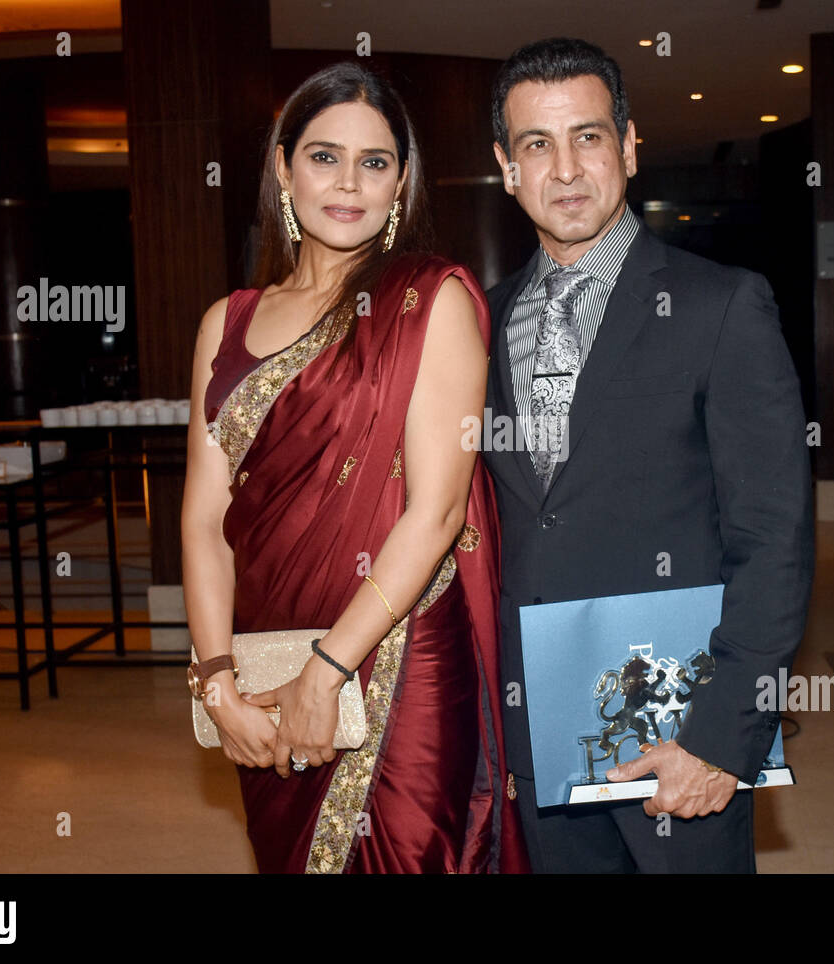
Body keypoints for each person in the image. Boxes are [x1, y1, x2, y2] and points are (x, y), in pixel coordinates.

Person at [181, 61, 527, 874]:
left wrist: (327, 671)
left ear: (400, 180)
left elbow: (437, 513)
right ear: (282, 167)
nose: (348, 183)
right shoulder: (224, 322)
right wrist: (217, 682)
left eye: (374, 162)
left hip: (396, 654)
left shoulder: (428, 300)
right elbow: (203, 521)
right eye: (324, 156)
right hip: (263, 656)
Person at [482, 38, 814, 873]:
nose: (564, 169)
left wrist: (724, 736)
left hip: (682, 734)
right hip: (538, 742)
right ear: (506, 167)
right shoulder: (473, 325)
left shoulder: (721, 306)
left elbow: (774, 539)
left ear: (628, 147)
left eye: (588, 137)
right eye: (536, 145)